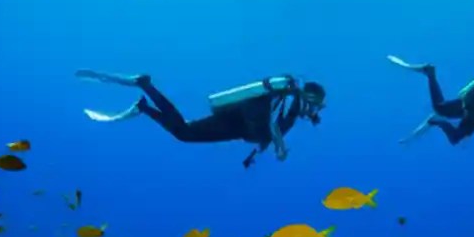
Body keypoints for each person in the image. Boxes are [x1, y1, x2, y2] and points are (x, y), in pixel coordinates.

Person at [74, 70, 326, 168]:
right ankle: (145, 94)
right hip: (236, 122)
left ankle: (145, 98)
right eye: (316, 108)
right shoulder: (290, 98)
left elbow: (267, 133)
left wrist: (258, 154)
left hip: (235, 125)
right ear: (310, 98)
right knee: (184, 132)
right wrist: (281, 149)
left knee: (184, 133)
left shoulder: (291, 110)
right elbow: (271, 124)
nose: (314, 114)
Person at [389, 55, 474, 147]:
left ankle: (435, 120)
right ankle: (430, 73)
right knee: (439, 108)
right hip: (470, 103)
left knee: (455, 139)